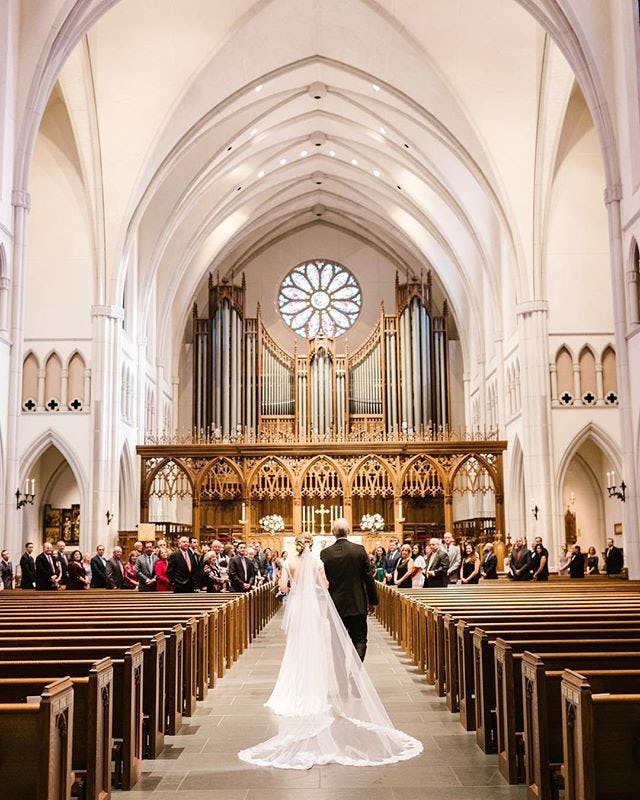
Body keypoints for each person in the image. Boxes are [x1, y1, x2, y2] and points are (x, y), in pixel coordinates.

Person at [238, 530, 422, 769]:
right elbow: (325, 584)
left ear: (296, 546)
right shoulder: (317, 562)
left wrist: (295, 588)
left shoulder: (288, 562)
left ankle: (294, 689)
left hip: (298, 609)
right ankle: (318, 686)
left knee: (295, 648)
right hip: (313, 608)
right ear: (311, 546)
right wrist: (313, 587)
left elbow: (282, 588)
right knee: (314, 645)